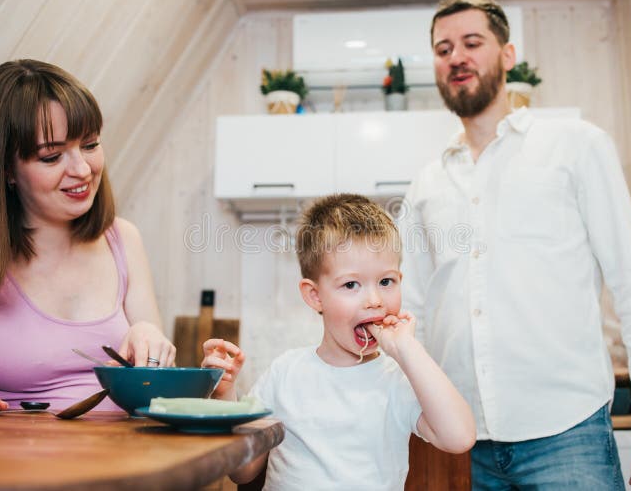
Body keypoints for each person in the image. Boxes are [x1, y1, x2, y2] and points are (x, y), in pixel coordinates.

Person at [397, 0, 631, 490]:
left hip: (568, 433)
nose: (457, 58)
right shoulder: (426, 184)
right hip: (461, 442)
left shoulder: (576, 146)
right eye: (443, 49)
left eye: (472, 42)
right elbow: (413, 312)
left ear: (508, 56)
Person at [0, 59, 175, 415]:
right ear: (5, 168)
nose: (81, 170)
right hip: (1, 466)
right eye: (51, 156)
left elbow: (153, 390)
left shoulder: (123, 239)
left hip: (123, 463)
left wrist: (151, 344)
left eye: (90, 145)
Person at [202, 193, 475, 491]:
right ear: (315, 296)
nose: (374, 301)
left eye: (386, 282)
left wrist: (408, 349)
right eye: (351, 285)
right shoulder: (284, 373)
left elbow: (459, 437)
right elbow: (242, 472)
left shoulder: (397, 380)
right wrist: (225, 397)